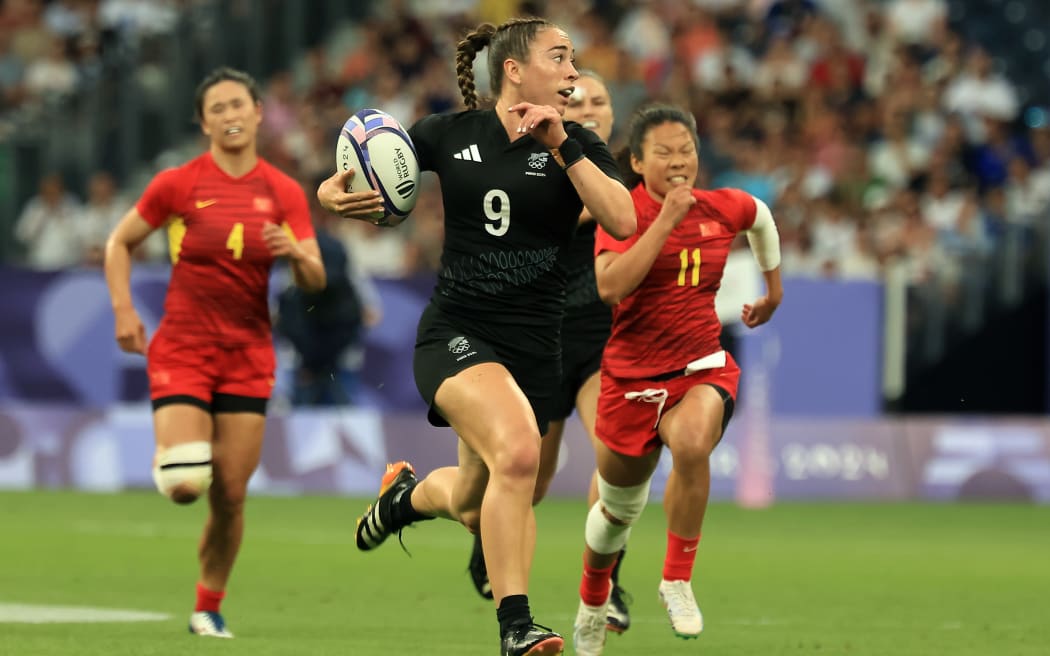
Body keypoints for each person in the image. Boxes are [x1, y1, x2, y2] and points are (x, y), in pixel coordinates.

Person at [317, 17, 635, 656]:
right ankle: (517, 626)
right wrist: (332, 191)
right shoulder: (449, 132)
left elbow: (623, 219)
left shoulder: (580, 146)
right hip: (456, 335)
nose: (574, 71)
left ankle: (403, 499)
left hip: (533, 349)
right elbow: (375, 166)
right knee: (519, 454)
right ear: (514, 69)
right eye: (561, 58)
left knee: (470, 502)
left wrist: (563, 147)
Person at [103, 67, 326, 639]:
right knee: (184, 486)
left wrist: (295, 256)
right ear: (203, 122)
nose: (229, 115)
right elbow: (119, 242)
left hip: (248, 353)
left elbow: (316, 278)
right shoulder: (177, 184)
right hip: (183, 346)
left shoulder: (283, 191)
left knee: (229, 492)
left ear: (257, 112)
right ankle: (173, 454)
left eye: (238, 104)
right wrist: (124, 310)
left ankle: (208, 606)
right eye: (217, 108)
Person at [570, 105, 783, 655]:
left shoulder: (720, 207)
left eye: (685, 150)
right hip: (630, 380)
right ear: (637, 161)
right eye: (663, 152)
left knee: (692, 443)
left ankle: (676, 579)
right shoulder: (621, 213)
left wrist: (774, 288)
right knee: (615, 516)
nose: (678, 161)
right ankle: (592, 598)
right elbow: (610, 287)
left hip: (699, 367)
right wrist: (664, 220)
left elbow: (759, 214)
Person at [465, 70, 634, 635]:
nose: (589, 107)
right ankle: (487, 536)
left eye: (601, 100)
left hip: (599, 340)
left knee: (614, 457)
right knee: (529, 482)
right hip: (536, 337)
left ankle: (605, 581)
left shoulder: (622, 173)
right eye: (577, 99)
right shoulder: (540, 163)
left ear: (613, 114)